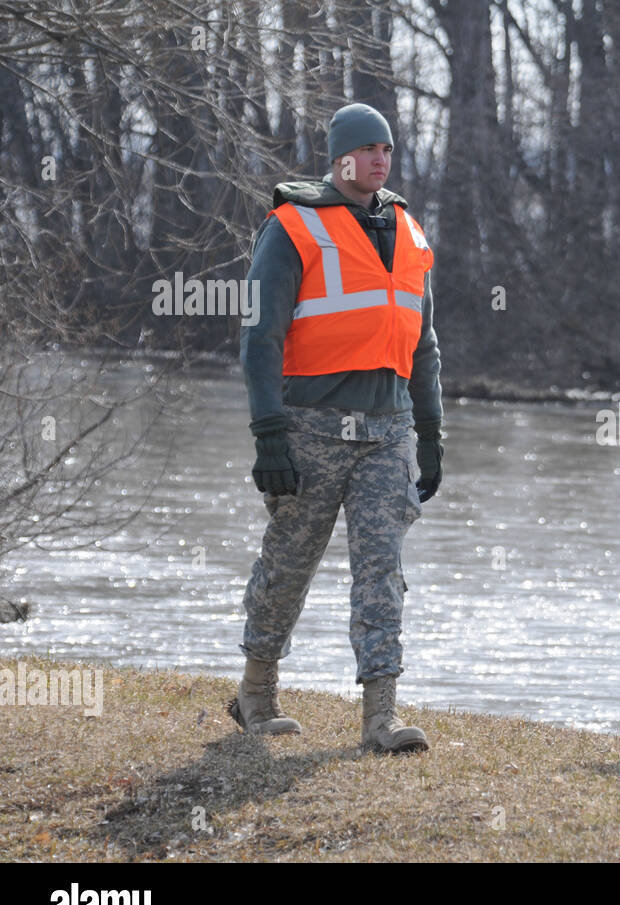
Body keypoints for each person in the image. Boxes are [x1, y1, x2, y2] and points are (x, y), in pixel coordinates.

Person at [230, 103, 443, 754]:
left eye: (388, 148)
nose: (380, 158)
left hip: (388, 431)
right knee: (289, 564)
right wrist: (268, 433)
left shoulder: (407, 230)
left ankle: (380, 717)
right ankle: (256, 694)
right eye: (367, 148)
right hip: (310, 429)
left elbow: (423, 345)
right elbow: (259, 339)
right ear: (339, 157)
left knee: (382, 570)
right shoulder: (293, 227)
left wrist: (431, 434)